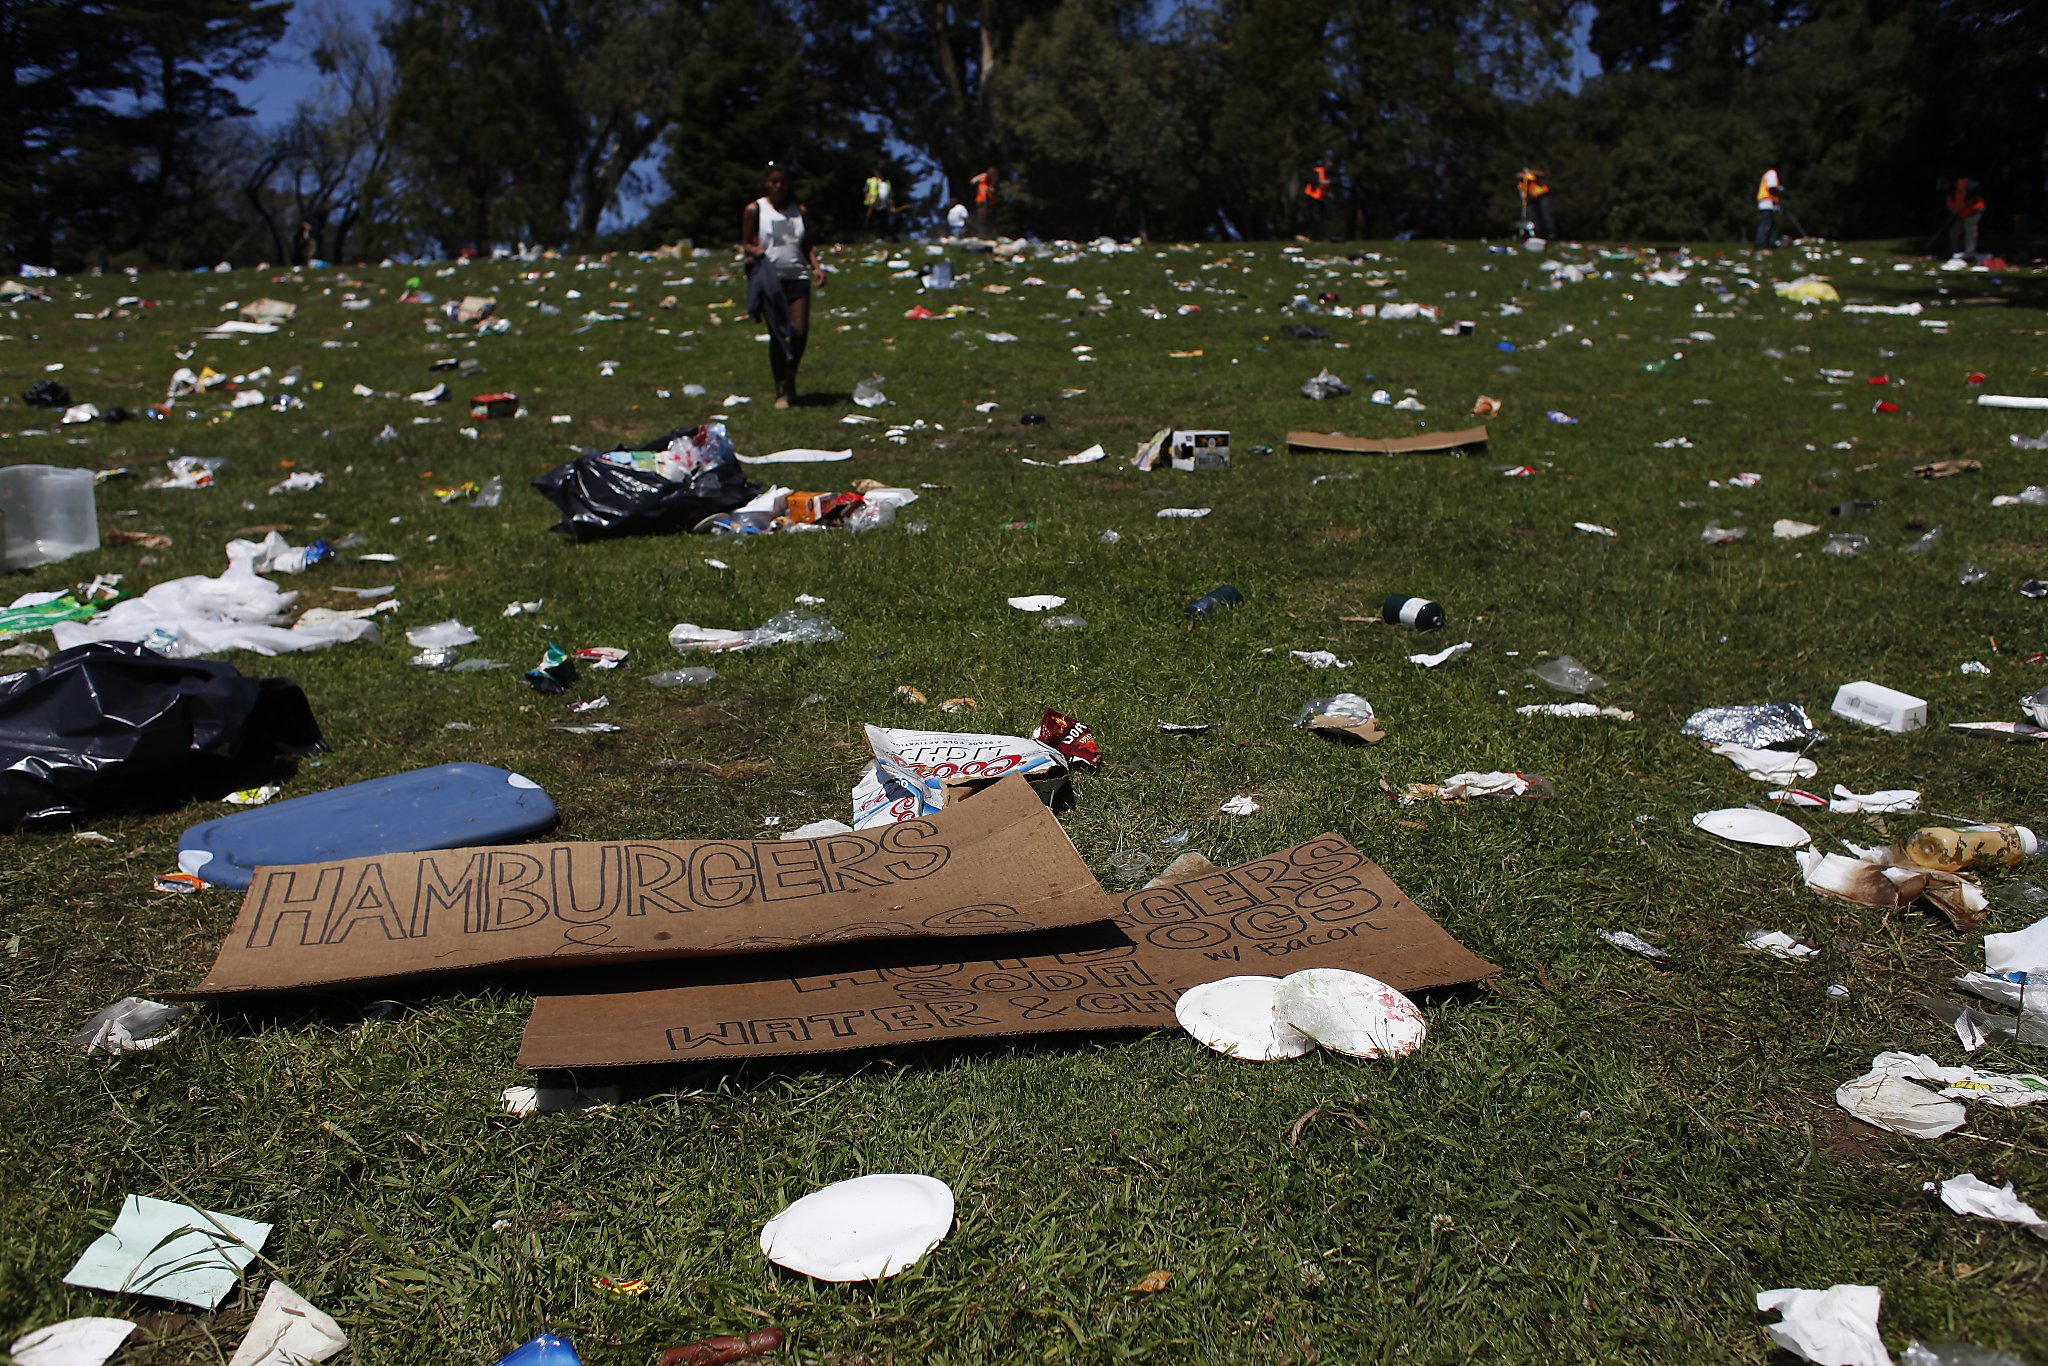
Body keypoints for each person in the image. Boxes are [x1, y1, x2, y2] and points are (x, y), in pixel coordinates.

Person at [740, 162, 822, 409]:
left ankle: (791, 375)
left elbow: (806, 243)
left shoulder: (799, 211)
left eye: (783, 182)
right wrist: (754, 250)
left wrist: (816, 267)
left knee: (799, 332)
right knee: (778, 334)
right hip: (770, 278)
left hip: (798, 275)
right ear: (766, 183)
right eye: (774, 182)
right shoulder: (756, 209)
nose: (779, 186)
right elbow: (746, 243)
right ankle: (781, 388)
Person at [1947, 175, 1985, 261]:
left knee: (1970, 232)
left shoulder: (1962, 183)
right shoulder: (1950, 194)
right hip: (1963, 214)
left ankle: (1969, 254)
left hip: (1974, 210)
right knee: (1955, 232)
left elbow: (1976, 187)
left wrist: (1968, 199)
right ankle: (1957, 253)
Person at [1517, 167, 1554, 239]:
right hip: (1531, 198)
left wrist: (1530, 172)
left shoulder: (1534, 176)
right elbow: (1518, 176)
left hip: (1541, 195)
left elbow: (1542, 174)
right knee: (1533, 216)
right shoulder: (1523, 182)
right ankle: (1536, 233)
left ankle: (1550, 232)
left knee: (1545, 214)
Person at [1754, 165, 1784, 250]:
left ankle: (1771, 243)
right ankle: (1760, 244)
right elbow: (1772, 188)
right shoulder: (1772, 173)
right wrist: (1779, 191)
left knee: (1771, 224)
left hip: (1765, 202)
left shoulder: (1766, 174)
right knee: (1765, 225)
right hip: (1768, 202)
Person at [863, 166, 894, 239]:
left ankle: (882, 238)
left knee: (883, 222)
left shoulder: (887, 182)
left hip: (883, 205)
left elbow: (889, 195)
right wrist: (869, 200)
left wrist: (891, 206)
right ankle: (875, 237)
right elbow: (866, 191)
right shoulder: (870, 181)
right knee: (874, 221)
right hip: (873, 204)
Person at [970, 166, 995, 232]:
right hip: (981, 201)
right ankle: (981, 233)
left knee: (987, 219)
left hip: (988, 203)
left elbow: (992, 191)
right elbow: (972, 181)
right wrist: (981, 176)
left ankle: (987, 233)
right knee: (981, 219)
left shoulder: (991, 183)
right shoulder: (983, 178)